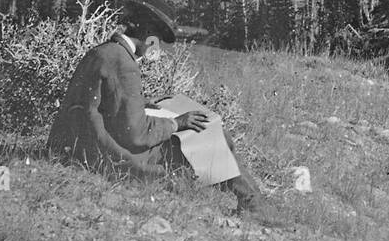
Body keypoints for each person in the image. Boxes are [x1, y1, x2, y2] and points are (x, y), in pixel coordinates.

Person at [48, 28, 261, 209]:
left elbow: (105, 105)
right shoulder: (124, 63)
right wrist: (177, 122)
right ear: (149, 38)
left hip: (83, 148)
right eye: (156, 42)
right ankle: (253, 203)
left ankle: (249, 197)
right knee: (211, 134)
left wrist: (142, 102)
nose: (155, 49)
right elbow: (137, 134)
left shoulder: (104, 51)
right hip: (111, 157)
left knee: (205, 136)